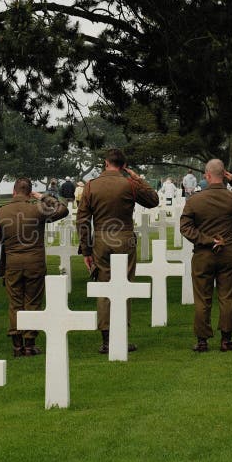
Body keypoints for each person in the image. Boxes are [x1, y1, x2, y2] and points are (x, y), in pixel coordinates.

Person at [77, 149, 159, 353]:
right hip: (124, 238)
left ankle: (106, 339)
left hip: (102, 240)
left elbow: (83, 220)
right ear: (124, 165)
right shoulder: (129, 184)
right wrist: (138, 179)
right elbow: (153, 200)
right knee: (125, 286)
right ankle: (120, 335)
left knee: (104, 287)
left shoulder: (91, 186)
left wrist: (86, 250)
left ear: (106, 163)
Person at [179, 159, 232, 353]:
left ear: (206, 175)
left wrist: (206, 239)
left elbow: (185, 227)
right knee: (227, 296)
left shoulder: (195, 200)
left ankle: (202, 341)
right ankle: (226, 340)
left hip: (203, 254)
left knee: (202, 298)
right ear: (224, 176)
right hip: (227, 253)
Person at [0, 178, 68, 356]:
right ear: (30, 192)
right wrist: (43, 197)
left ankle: (17, 345)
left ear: (13, 191)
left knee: (15, 303)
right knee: (33, 302)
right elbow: (62, 209)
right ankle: (29, 344)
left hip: (12, 263)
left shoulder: (0, 212)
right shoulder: (37, 208)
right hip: (35, 261)